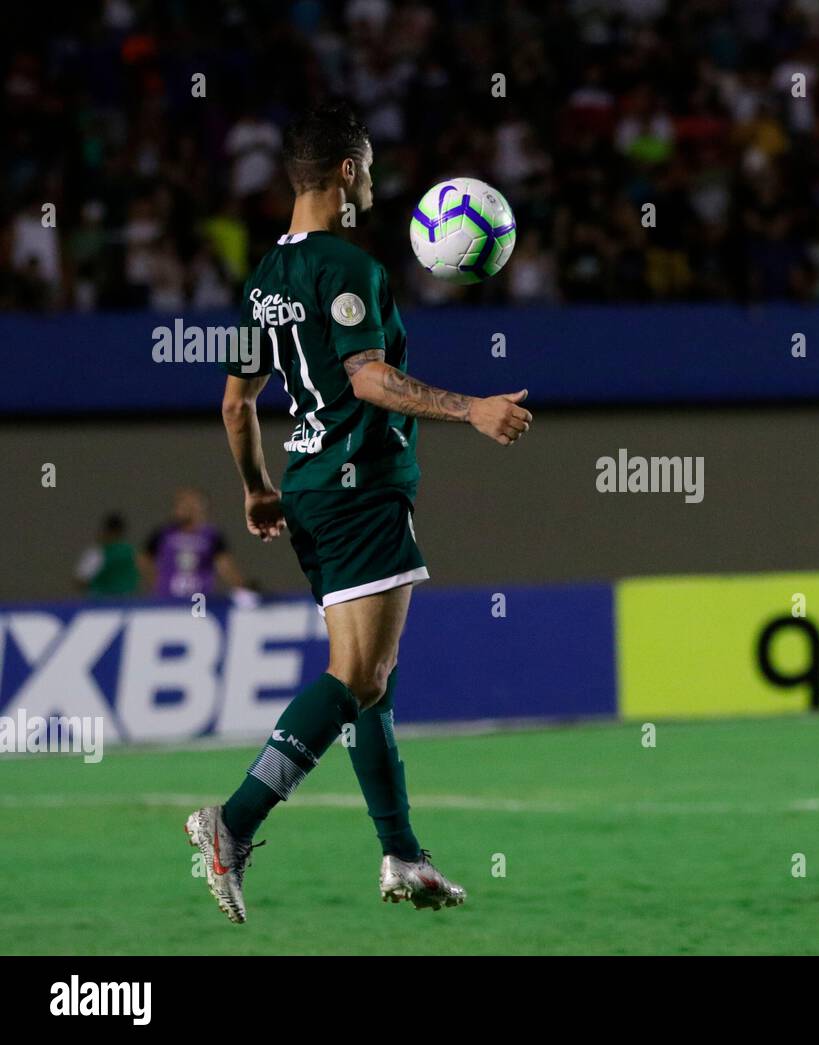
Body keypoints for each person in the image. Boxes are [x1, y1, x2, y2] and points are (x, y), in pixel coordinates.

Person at [184, 100, 532, 924]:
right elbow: (370, 377)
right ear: (346, 172)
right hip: (360, 487)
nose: (373, 180)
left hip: (307, 489)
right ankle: (230, 822)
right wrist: (474, 407)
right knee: (360, 678)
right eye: (368, 166)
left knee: (374, 686)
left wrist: (257, 487)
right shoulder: (347, 267)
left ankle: (404, 854)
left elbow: (237, 403)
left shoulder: (265, 279)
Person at [141, 487, 249, 600]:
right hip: (168, 599)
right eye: (180, 504)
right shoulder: (164, 533)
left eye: (188, 504)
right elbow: (144, 558)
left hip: (200, 599)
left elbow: (224, 566)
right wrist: (157, 582)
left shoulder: (212, 536)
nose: (182, 508)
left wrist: (241, 586)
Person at [73, 513, 140, 597]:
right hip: (127, 602)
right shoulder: (131, 552)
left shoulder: (97, 553)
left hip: (102, 602)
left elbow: (80, 581)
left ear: (106, 531)